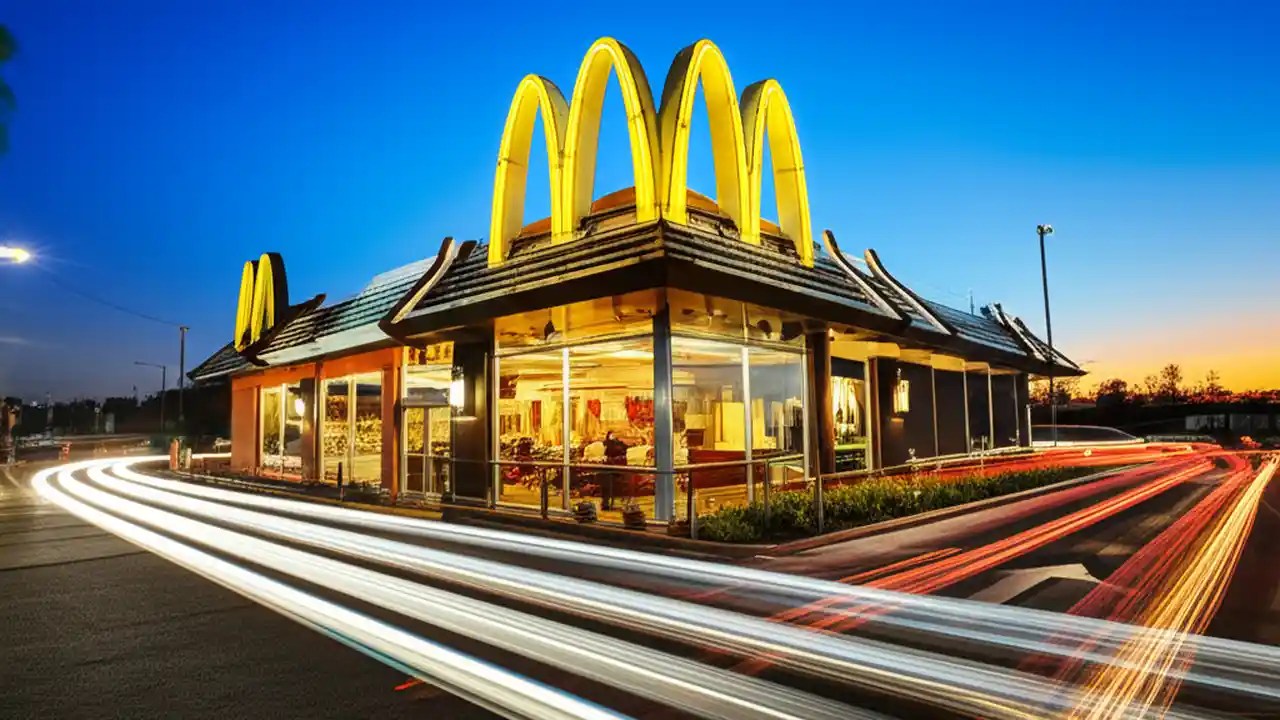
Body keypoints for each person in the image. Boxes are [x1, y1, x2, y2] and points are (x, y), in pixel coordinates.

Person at [602, 431, 628, 511]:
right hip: (613, 470)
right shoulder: (611, 445)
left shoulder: (615, 445)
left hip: (613, 470)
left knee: (607, 482)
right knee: (607, 482)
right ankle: (606, 502)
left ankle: (606, 502)